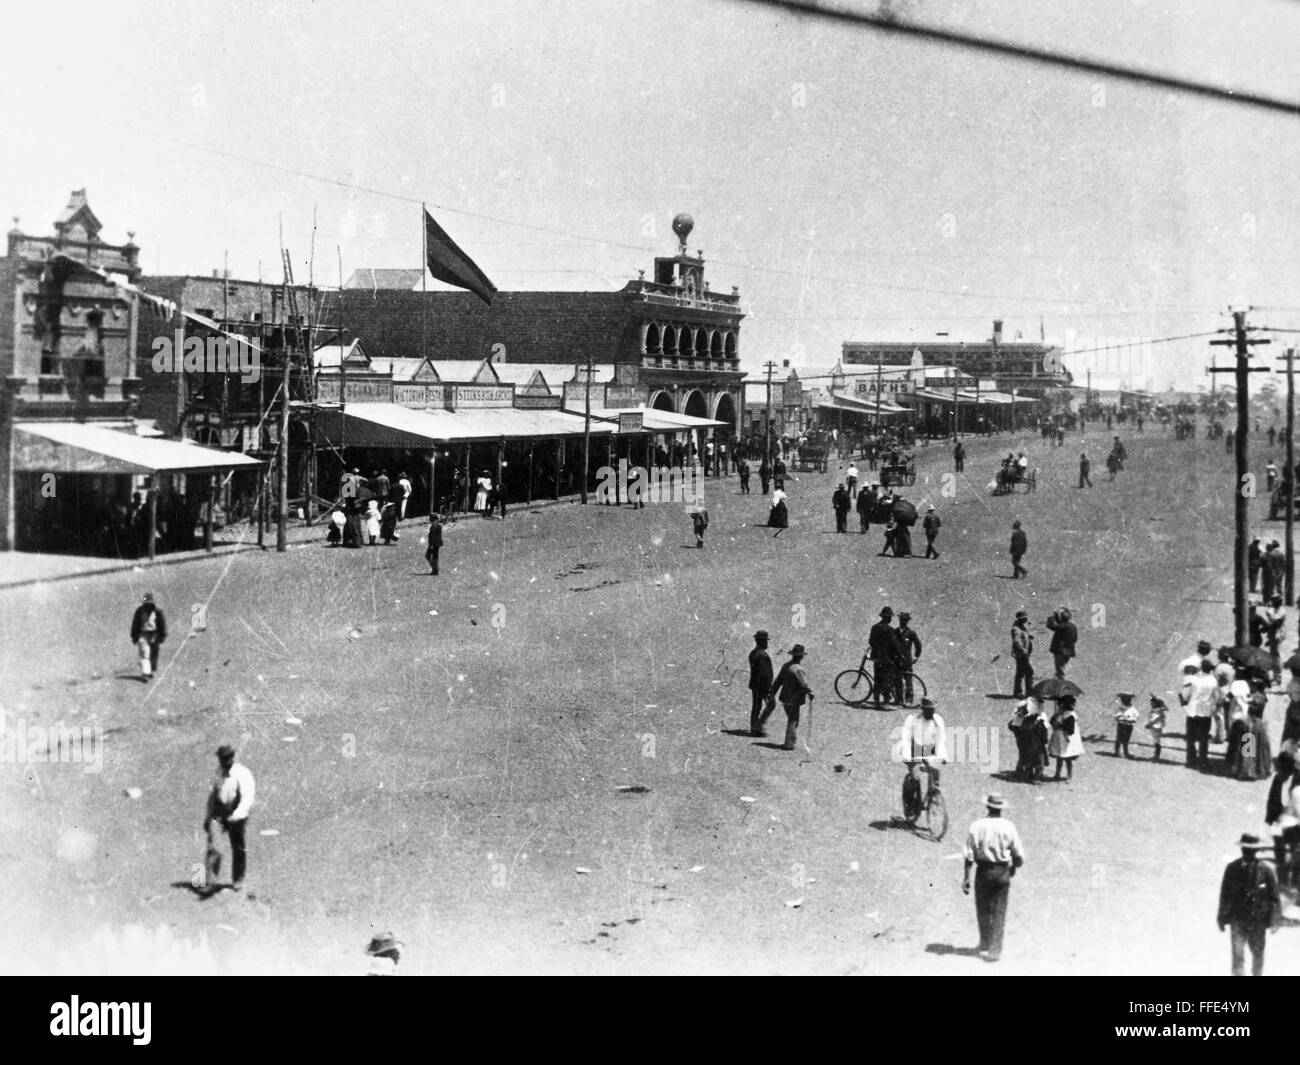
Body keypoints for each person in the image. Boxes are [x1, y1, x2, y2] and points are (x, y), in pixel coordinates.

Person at [962, 793, 1026, 963]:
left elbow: (969, 854)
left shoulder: (977, 826)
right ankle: (995, 950)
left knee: (982, 909)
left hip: (983, 871)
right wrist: (1013, 867)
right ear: (1001, 809)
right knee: (999, 910)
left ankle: (984, 941)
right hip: (1001, 871)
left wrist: (966, 878)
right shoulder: (1008, 826)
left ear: (987, 807)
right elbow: (1019, 855)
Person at [1216, 833, 1282, 976]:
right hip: (1238, 919)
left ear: (1256, 851)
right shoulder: (1232, 869)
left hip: (1258, 920)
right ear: (1242, 850)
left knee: (1258, 956)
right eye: (1245, 849)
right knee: (1238, 957)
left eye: (1251, 850)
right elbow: (1225, 894)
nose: (1248, 853)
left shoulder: (1266, 870)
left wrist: (1275, 919)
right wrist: (1221, 916)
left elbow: (1274, 897)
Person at [204, 744, 255, 892]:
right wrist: (208, 816)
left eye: (226, 758)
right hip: (219, 813)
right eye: (221, 759)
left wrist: (237, 815)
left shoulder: (243, 773)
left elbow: (247, 797)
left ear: (232, 757)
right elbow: (213, 795)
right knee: (213, 847)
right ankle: (208, 882)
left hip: (237, 814)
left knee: (238, 848)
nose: (224, 762)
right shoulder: (218, 772)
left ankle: (238, 880)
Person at [762, 644, 814, 751]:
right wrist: (809, 692)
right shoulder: (798, 669)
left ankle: (790, 741)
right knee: (794, 720)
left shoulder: (786, 666)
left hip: (785, 698)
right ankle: (789, 743)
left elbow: (778, 681)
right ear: (801, 656)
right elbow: (803, 685)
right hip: (794, 699)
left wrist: (772, 693)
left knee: (792, 719)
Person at [1265, 752, 1299, 892]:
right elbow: (1272, 800)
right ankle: (1284, 880)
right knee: (1282, 853)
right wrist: (1271, 819)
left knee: (1292, 853)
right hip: (1282, 823)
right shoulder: (1279, 779)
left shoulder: (1294, 782)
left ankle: (1290, 880)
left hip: (1291, 823)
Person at [899, 697, 947, 788]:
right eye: (928, 710)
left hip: (930, 750)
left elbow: (941, 739)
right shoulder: (912, 719)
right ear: (923, 709)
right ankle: (914, 798)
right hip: (915, 751)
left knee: (935, 776)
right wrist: (907, 756)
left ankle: (933, 794)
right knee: (915, 779)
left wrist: (942, 756)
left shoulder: (938, 720)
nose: (931, 713)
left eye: (932, 710)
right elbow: (906, 739)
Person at [1180, 658, 1217, 770]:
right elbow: (1216, 697)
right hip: (1205, 712)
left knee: (1191, 736)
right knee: (1204, 737)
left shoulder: (1193, 679)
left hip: (1192, 710)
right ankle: (1203, 760)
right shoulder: (1213, 681)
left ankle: (1191, 759)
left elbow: (1185, 694)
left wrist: (1184, 700)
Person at [1230, 695, 1273, 781]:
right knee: (1257, 751)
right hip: (1257, 728)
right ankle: (1258, 769)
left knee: (1248, 751)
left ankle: (1247, 771)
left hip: (1249, 730)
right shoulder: (1262, 723)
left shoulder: (1245, 722)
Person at [129, 592, 167, 683]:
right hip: (143, 634)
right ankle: (145, 674)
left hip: (154, 635)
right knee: (144, 653)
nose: (148, 605)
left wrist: (162, 635)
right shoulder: (139, 611)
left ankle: (149, 671)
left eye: (149, 603)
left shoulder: (157, 612)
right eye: (146, 603)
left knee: (153, 654)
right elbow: (135, 624)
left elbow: (162, 625)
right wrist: (134, 636)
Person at [1049, 694, 1084, 782]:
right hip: (1059, 739)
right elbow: (1051, 722)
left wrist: (1061, 726)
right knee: (1059, 757)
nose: (1059, 706)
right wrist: (1055, 716)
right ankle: (1057, 774)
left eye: (1061, 704)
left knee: (1067, 758)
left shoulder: (1070, 715)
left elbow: (1070, 730)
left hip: (1067, 739)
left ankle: (1069, 775)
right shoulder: (1059, 713)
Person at [869, 607, 899, 705]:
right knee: (887, 679)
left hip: (877, 658)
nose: (891, 618)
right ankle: (886, 700)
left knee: (877, 678)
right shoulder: (890, 630)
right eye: (890, 617)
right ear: (887, 617)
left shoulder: (875, 627)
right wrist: (899, 654)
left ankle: (876, 699)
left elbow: (871, 641)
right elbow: (894, 644)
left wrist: (877, 649)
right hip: (887, 658)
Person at [748, 630, 775, 737]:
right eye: (765, 641)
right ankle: (758, 726)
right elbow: (765, 673)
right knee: (771, 704)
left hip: (755, 684)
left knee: (756, 706)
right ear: (762, 642)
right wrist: (769, 687)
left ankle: (754, 728)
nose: (767, 643)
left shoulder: (753, 653)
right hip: (762, 685)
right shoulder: (762, 655)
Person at [1045, 607, 1077, 679]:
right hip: (1069, 651)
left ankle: (1061, 685)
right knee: (1062, 668)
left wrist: (1053, 616)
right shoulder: (1073, 626)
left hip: (1060, 651)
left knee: (1060, 671)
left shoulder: (1062, 626)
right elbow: (1075, 639)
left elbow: (1050, 625)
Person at [1011, 609, 1034, 698]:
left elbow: (1022, 636)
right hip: (1022, 654)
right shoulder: (1016, 628)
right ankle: (1029, 692)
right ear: (1021, 619)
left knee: (1020, 673)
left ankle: (1018, 692)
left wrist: (1029, 636)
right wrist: (1023, 650)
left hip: (1021, 654)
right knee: (1029, 672)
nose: (1026, 620)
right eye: (1025, 618)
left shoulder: (1020, 626)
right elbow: (1017, 641)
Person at [1113, 691, 1139, 758]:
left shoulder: (1132, 707)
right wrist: (1120, 717)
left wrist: (1134, 717)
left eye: (1128, 699)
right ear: (1122, 700)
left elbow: (1136, 714)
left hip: (1129, 725)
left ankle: (1126, 752)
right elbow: (1116, 715)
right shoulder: (1120, 707)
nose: (1127, 701)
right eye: (1124, 699)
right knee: (1119, 738)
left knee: (1126, 739)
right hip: (1122, 725)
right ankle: (1117, 751)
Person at [1146, 694, 1169, 762]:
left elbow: (1155, 719)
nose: (1151, 704)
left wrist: (1149, 724)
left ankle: (1156, 756)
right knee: (1156, 741)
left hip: (1156, 727)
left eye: (1152, 703)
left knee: (1156, 741)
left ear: (1156, 704)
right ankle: (1156, 755)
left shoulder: (1157, 711)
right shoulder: (1158, 709)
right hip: (1156, 727)